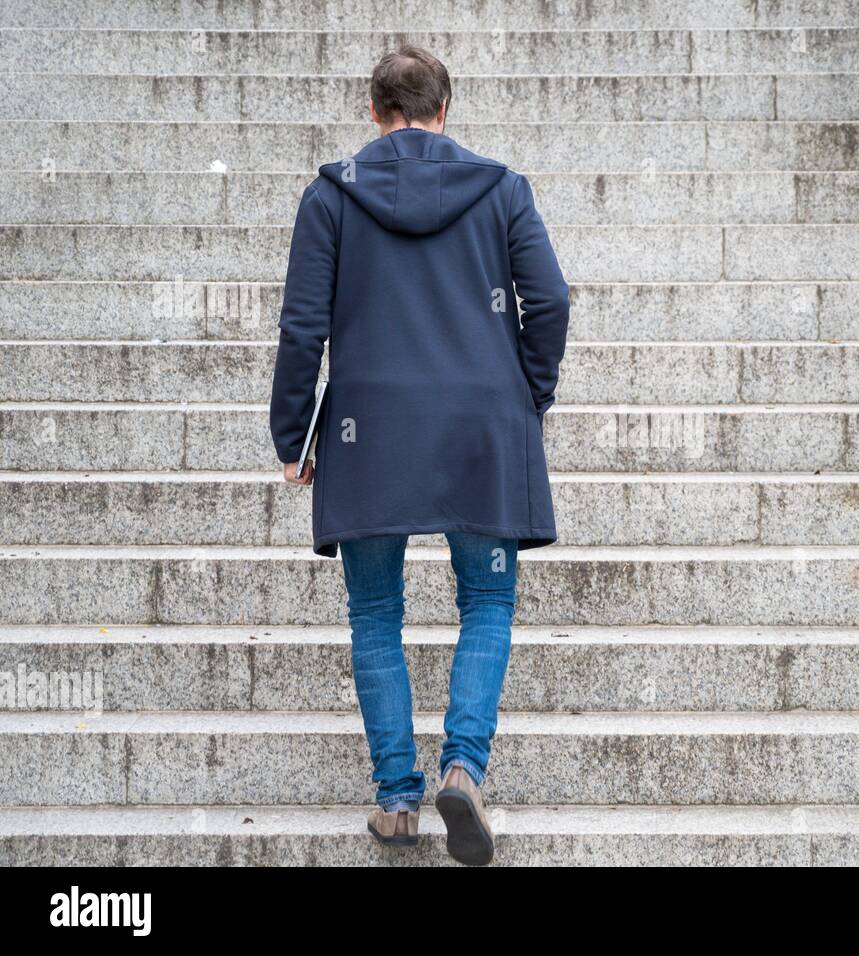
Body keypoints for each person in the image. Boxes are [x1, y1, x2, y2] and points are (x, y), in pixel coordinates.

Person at [268, 45, 569, 866]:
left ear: (375, 113)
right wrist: (527, 394)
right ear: (446, 109)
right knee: (488, 601)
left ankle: (398, 800)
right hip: (482, 427)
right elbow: (550, 298)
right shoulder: (502, 191)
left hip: (370, 430)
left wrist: (292, 436)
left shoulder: (331, 198)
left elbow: (303, 328)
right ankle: (464, 769)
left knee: (375, 614)